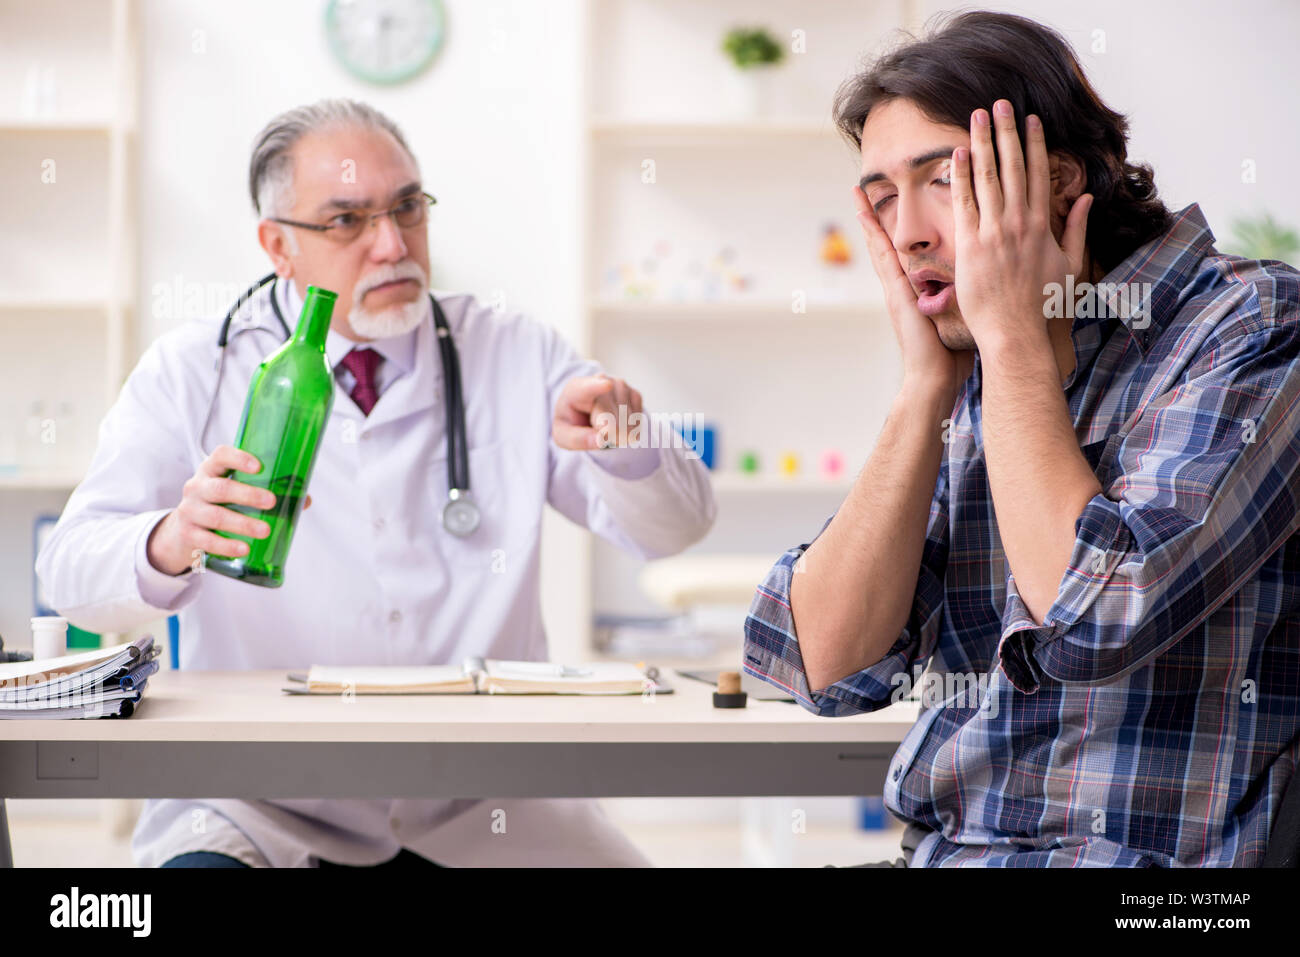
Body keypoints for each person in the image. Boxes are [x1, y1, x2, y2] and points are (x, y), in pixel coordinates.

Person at [35, 98, 716, 868]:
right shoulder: (197, 369)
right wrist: (170, 539)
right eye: (347, 221)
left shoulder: (516, 349)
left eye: (406, 208)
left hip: (488, 804)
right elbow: (67, 573)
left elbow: (678, 529)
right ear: (277, 246)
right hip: (262, 802)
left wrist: (623, 442)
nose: (392, 244)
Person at [743, 11, 1300, 867]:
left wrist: (1010, 346)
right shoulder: (969, 373)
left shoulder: (1253, 328)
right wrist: (924, 388)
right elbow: (818, 660)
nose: (908, 234)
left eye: (941, 181)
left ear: (1059, 183)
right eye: (884, 199)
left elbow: (1095, 619)